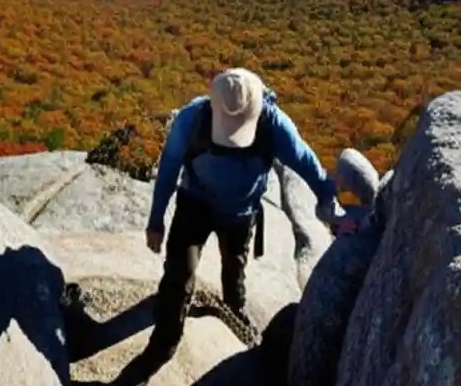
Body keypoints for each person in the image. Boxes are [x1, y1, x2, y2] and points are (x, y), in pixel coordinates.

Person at [112, 67, 352, 385]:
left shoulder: (273, 124)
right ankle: (164, 343)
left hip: (240, 213)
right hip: (194, 205)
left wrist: (331, 205)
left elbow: (306, 162)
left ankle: (233, 308)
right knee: (178, 274)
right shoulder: (191, 120)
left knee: (234, 266)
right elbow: (168, 169)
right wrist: (156, 221)